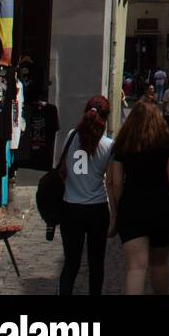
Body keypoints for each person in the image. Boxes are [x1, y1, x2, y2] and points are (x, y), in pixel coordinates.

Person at [107, 100, 169, 296]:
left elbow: (115, 183)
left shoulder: (123, 145)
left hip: (131, 209)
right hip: (160, 209)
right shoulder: (166, 146)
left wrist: (120, 208)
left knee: (136, 268)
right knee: (159, 264)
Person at [58, 96, 114, 296]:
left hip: (71, 206)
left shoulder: (71, 136)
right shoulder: (108, 145)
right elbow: (112, 181)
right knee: (96, 263)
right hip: (97, 208)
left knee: (71, 263)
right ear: (105, 118)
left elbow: (63, 169)